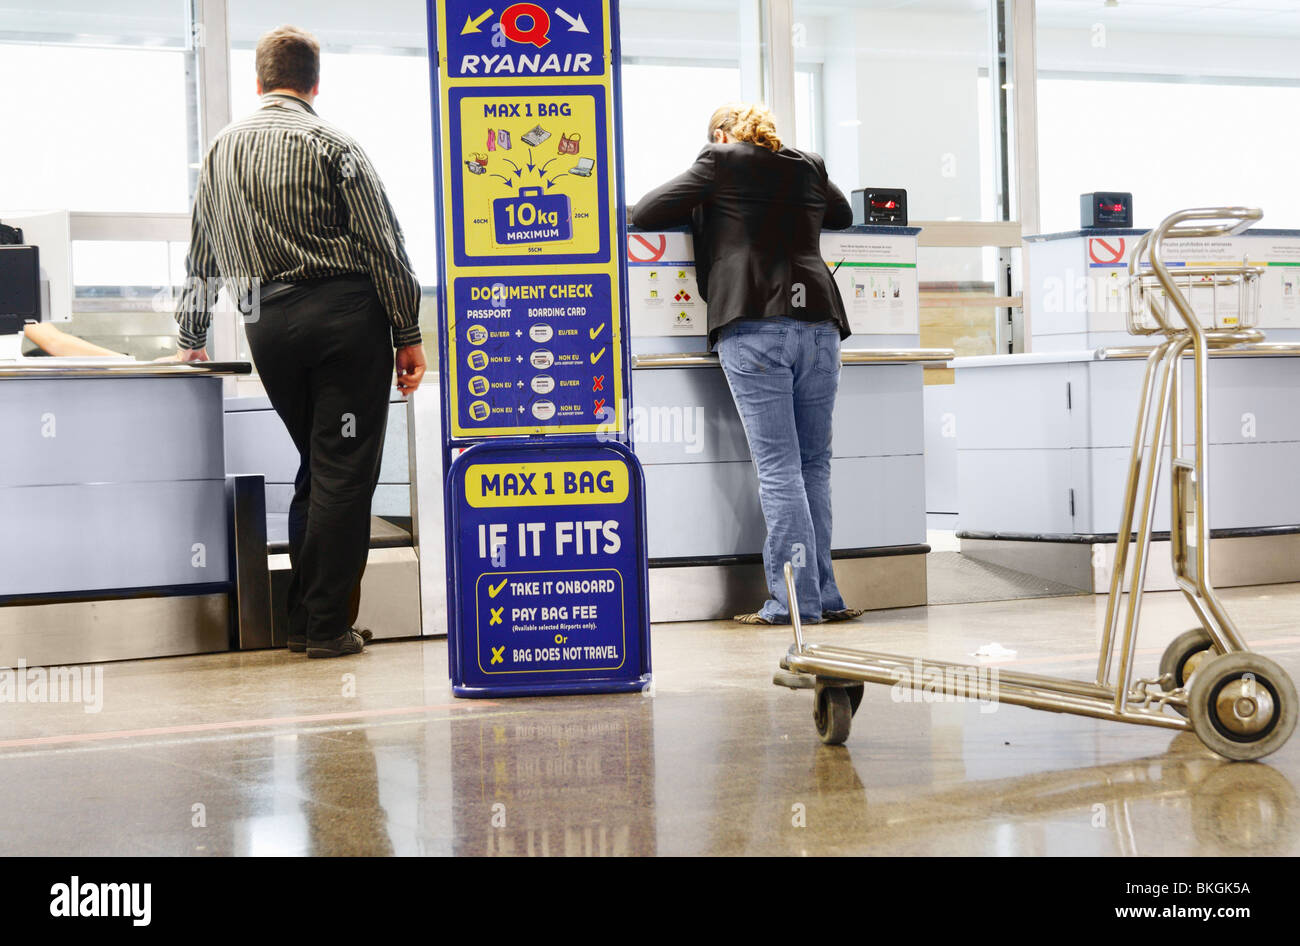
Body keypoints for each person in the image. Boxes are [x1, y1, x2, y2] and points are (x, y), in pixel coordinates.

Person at [174, 24, 426, 658]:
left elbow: (202, 253)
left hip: (268, 327)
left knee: (320, 466)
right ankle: (324, 628)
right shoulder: (331, 142)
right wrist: (407, 331)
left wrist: (191, 334)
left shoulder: (219, 150)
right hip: (343, 320)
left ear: (258, 82)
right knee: (344, 471)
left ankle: (302, 621)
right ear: (315, 84)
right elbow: (383, 244)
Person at [631, 103, 862, 626]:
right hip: (820, 323)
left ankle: (792, 603)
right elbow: (842, 215)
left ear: (720, 133)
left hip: (753, 321)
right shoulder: (808, 163)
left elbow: (645, 213)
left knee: (779, 468)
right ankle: (823, 594)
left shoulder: (718, 160)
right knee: (813, 467)